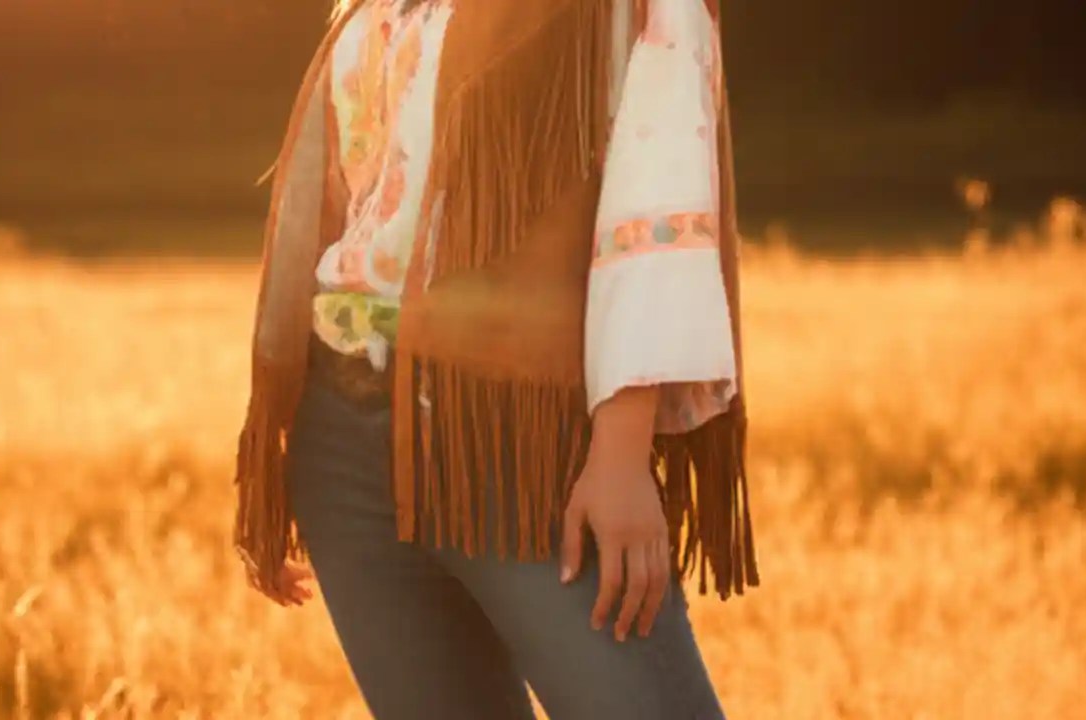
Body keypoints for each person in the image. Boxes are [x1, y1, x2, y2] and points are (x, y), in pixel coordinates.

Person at [233, 0, 758, 717]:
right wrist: (287, 434)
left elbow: (660, 194)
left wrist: (621, 452)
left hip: (520, 448)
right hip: (343, 439)